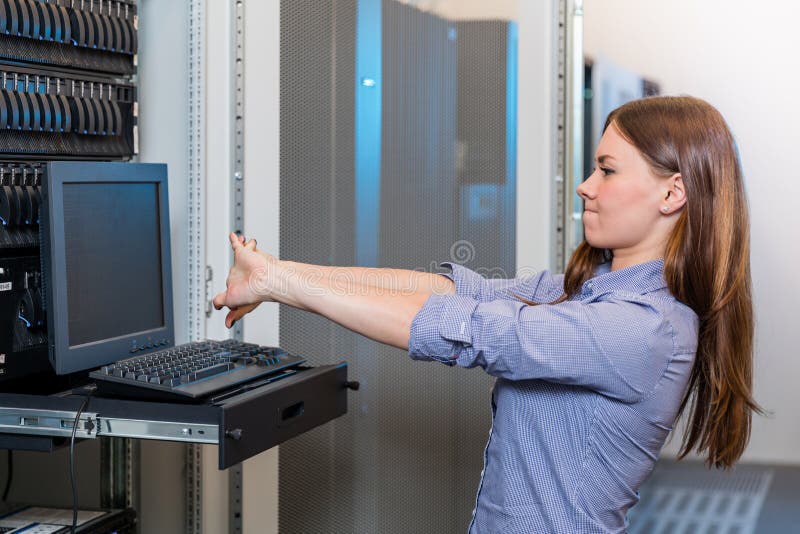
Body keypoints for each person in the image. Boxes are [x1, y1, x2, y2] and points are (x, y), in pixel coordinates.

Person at [212, 95, 760, 533]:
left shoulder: (644, 329)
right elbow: (454, 291)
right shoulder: (585, 291)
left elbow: (466, 329)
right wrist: (276, 272)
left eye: (607, 170)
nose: (585, 187)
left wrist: (281, 284)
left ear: (673, 194)